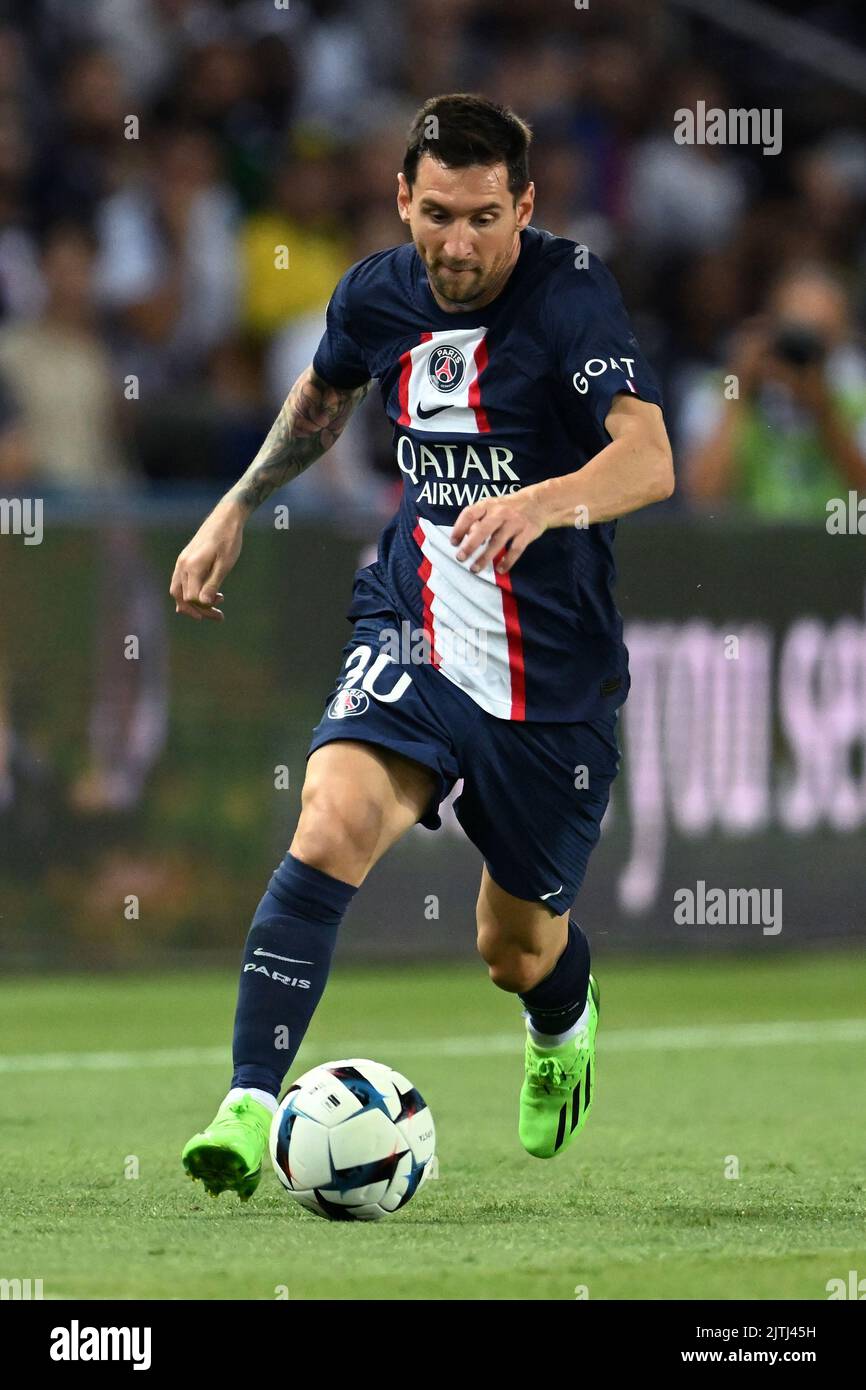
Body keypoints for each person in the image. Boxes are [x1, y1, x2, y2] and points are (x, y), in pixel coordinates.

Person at [171, 93, 673, 1200]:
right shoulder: (377, 291)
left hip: (549, 680)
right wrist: (236, 506)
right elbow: (323, 392)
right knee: (332, 815)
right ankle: (250, 1104)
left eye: (484, 217)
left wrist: (546, 502)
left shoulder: (569, 293)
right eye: (436, 213)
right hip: (413, 622)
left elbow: (648, 460)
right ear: (403, 197)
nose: (458, 243)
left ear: (524, 205)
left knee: (514, 947)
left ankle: (561, 1011)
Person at [684, 264, 866, 518]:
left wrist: (825, 414)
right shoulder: (724, 389)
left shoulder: (857, 395)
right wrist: (740, 389)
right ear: (771, 328)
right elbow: (702, 498)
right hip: (752, 553)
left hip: (837, 552)